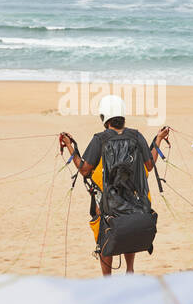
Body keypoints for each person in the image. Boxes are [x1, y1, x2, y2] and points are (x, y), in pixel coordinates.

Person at [59, 94, 170, 276]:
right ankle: (130, 271)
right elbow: (149, 165)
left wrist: (71, 147)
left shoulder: (100, 139)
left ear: (104, 117)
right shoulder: (136, 136)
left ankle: (107, 279)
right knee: (128, 226)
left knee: (105, 236)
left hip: (108, 205)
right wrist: (157, 140)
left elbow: (85, 170)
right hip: (135, 200)